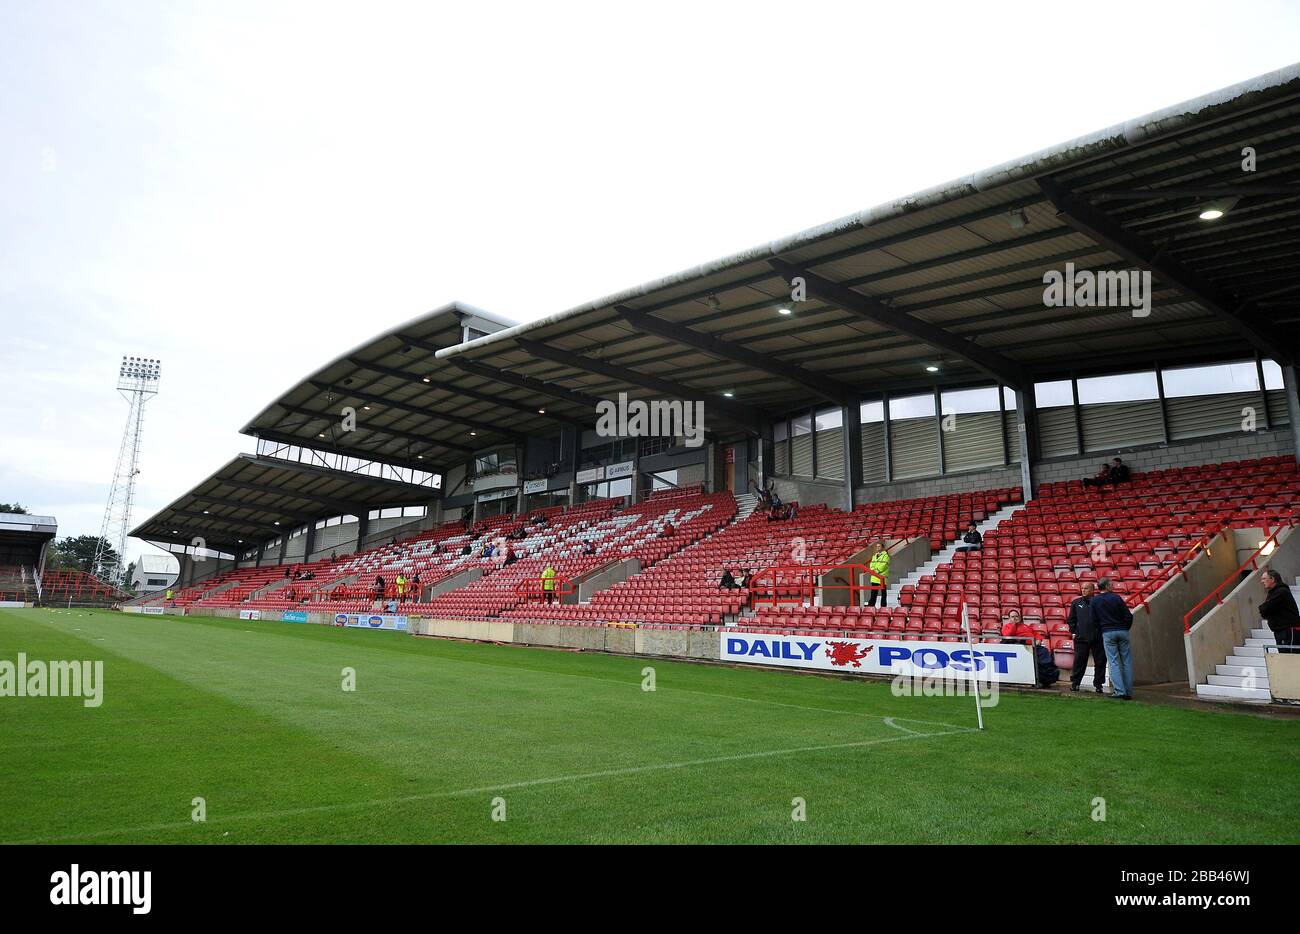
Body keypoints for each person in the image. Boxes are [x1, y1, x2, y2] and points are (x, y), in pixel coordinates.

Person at [1091, 576, 1134, 699]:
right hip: (1122, 630)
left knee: (1113, 662)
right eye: (1111, 584)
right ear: (1107, 586)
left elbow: (1094, 620)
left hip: (1107, 632)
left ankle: (1120, 691)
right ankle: (1128, 691)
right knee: (1126, 661)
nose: (1113, 586)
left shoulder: (1095, 601)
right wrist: (1125, 628)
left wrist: (1102, 631)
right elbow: (1128, 616)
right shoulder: (1116, 598)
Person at [1066, 581, 1106, 693]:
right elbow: (1071, 619)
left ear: (1093, 590)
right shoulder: (1076, 602)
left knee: (1100, 661)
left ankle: (1098, 685)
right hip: (1081, 637)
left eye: (1086, 588)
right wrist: (1073, 631)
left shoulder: (1099, 602)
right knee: (1079, 661)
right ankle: (1075, 683)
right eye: (1082, 588)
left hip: (1097, 637)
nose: (1083, 590)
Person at [1260, 569, 1300, 653]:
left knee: (1290, 658)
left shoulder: (1281, 592)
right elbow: (1264, 612)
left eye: (1264, 578)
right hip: (1281, 632)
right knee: (1284, 659)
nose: (1262, 581)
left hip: (1289, 631)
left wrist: (1265, 609)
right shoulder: (1273, 593)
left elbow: (1265, 608)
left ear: (1272, 579)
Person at [866, 540, 890, 608]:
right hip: (874, 578)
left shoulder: (886, 556)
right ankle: (871, 606)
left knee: (883, 593)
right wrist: (873, 570)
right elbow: (871, 564)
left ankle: (883, 607)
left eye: (879, 546)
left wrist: (876, 571)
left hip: (882, 577)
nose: (878, 548)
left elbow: (884, 565)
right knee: (873, 594)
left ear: (882, 548)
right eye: (877, 547)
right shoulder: (874, 556)